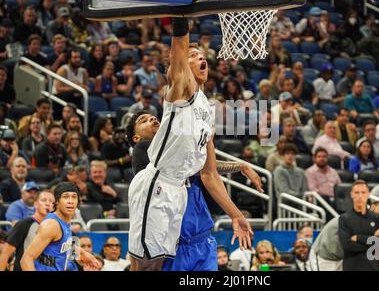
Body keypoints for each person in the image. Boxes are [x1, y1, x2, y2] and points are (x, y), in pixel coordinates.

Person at [128, 18, 252, 271]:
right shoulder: (180, 90)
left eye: (202, 55)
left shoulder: (206, 110)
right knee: (147, 265)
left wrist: (236, 215)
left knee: (163, 264)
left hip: (180, 191)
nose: (200, 57)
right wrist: (182, 13)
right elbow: (179, 48)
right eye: (193, 55)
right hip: (158, 182)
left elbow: (210, 174)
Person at [20, 183, 99, 271]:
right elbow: (26, 259)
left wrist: (82, 253)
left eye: (74, 197)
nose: (71, 201)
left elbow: (63, 245)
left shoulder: (65, 221)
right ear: (57, 201)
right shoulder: (51, 225)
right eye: (66, 197)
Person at [0, 190, 54, 271]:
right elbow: (6, 253)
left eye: (51, 201)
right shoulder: (23, 224)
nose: (47, 203)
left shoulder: (55, 227)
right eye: (43, 200)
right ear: (35, 204)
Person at [338, 180, 379, 271]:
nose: (360, 196)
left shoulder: (377, 218)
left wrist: (359, 238)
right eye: (356, 192)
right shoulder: (344, 218)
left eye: (363, 192)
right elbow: (346, 244)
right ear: (351, 194)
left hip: (373, 267)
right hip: (352, 267)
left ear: (368, 194)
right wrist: (372, 241)